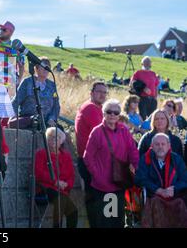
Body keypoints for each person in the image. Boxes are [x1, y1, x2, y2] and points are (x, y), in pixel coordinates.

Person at [83, 99, 140, 228]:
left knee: (117, 219)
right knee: (105, 221)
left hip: (119, 183)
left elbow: (133, 150)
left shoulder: (123, 131)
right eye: (109, 112)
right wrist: (98, 176)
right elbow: (88, 157)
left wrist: (135, 166)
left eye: (116, 112)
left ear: (119, 115)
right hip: (103, 186)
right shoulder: (97, 132)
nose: (113, 115)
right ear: (104, 113)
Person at [134, 133, 187, 228]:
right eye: (157, 144)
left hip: (175, 195)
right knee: (156, 203)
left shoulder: (176, 159)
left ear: (169, 146)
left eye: (163, 144)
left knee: (180, 203)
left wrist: (174, 189)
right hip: (153, 195)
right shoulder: (145, 159)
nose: (160, 147)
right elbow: (140, 178)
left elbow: (184, 179)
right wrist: (157, 190)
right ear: (152, 146)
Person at [74, 81, 108, 228]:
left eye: (104, 92)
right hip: (92, 163)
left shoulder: (96, 108)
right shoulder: (91, 108)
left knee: (97, 201)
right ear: (91, 93)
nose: (102, 94)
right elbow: (104, 135)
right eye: (99, 91)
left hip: (92, 161)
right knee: (96, 201)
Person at [35, 127, 77, 228]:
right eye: (51, 137)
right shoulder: (41, 154)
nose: (53, 140)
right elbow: (38, 173)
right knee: (60, 201)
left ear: (61, 141)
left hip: (62, 189)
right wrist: (55, 182)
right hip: (46, 188)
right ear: (47, 139)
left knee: (73, 212)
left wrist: (66, 184)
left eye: (57, 137)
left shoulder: (66, 156)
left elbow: (71, 175)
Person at [10, 57, 60, 129]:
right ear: (36, 68)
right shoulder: (27, 82)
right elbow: (15, 102)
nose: (46, 69)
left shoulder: (52, 85)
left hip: (47, 123)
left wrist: (52, 118)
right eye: (43, 66)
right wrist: (14, 117)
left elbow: (56, 106)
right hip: (28, 122)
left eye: (48, 67)